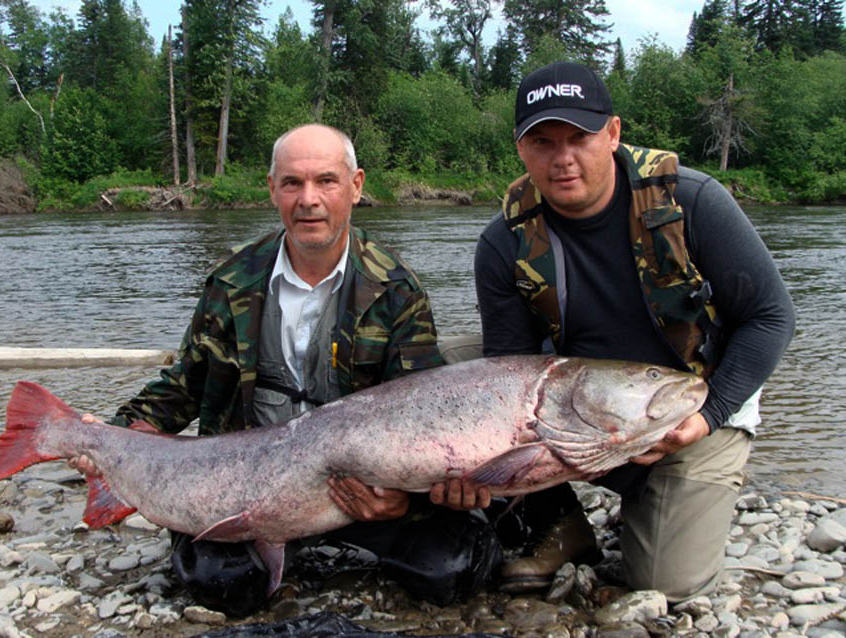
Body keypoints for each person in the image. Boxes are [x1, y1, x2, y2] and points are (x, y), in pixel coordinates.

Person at [69, 123, 501, 615]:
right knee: (222, 584)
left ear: (356, 187)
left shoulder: (398, 290)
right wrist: (111, 436)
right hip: (243, 491)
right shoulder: (231, 280)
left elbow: (424, 416)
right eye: (292, 183)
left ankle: (345, 540)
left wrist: (409, 502)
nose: (308, 199)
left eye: (326, 181)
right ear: (272, 189)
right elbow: (183, 386)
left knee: (454, 570)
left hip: (360, 496)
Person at [472, 61, 796, 601]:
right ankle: (562, 524)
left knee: (667, 584)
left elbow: (771, 316)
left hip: (693, 405)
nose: (563, 158)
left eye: (580, 137)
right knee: (452, 367)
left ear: (614, 133)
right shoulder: (503, 241)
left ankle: (663, 495)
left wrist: (707, 416)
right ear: (520, 148)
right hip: (582, 410)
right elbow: (510, 371)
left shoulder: (691, 200)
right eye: (543, 142)